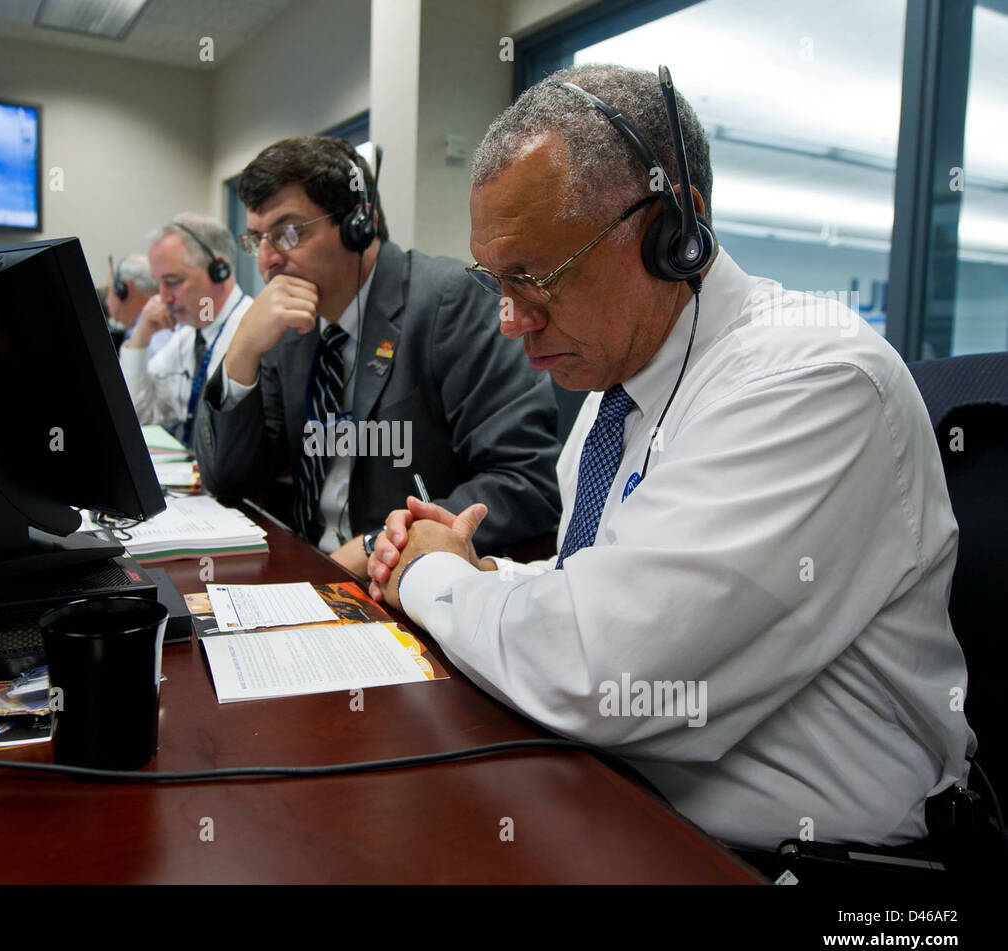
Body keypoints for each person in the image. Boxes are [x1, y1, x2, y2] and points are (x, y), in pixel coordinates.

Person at [367, 64, 974, 855]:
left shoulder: (813, 381)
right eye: (496, 280)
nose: (512, 321)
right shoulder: (616, 395)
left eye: (537, 275)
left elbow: (602, 675)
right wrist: (482, 570)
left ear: (670, 230)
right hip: (630, 809)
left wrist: (429, 575)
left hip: (813, 873)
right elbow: (612, 586)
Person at [192, 136, 563, 578]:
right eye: (257, 240)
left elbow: (527, 483)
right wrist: (242, 351)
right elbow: (227, 481)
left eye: (288, 233)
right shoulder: (287, 329)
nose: (268, 261)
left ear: (358, 224)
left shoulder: (448, 303)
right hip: (307, 568)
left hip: (405, 590)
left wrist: (378, 545)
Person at [118, 216, 249, 440]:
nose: (164, 297)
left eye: (173, 282)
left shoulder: (253, 330)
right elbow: (137, 414)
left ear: (219, 270)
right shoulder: (187, 338)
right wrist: (140, 337)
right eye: (158, 283)